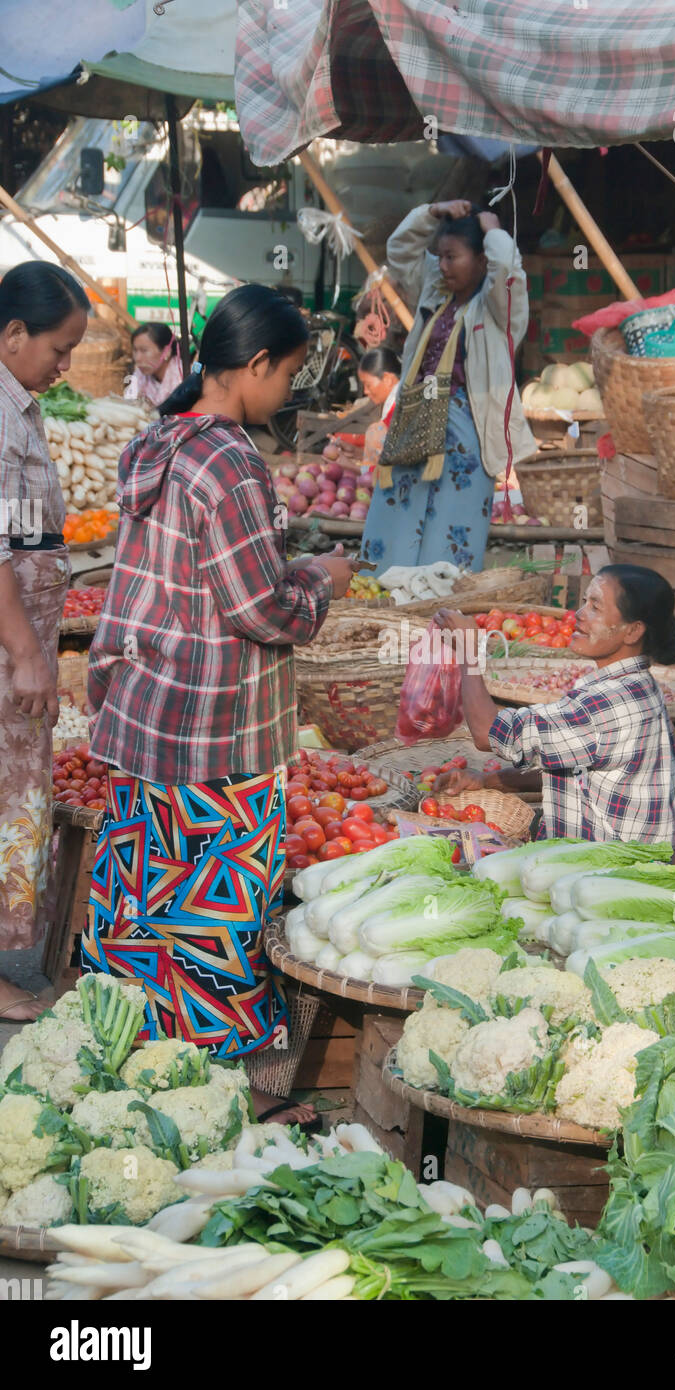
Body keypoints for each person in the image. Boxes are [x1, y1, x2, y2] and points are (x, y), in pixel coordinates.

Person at [81, 284, 363, 1119]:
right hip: (217, 728)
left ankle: (127, 1067)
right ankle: (233, 1096)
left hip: (143, 712)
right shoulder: (229, 460)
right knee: (219, 912)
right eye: (288, 376)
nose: (287, 394)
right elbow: (260, 609)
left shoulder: (161, 441)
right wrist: (322, 580)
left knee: (142, 898)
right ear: (256, 365)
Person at [433, 565, 675, 844]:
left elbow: (486, 732)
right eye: (585, 602)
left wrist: (468, 651)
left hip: (607, 874)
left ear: (632, 631)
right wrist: (487, 780)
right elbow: (574, 767)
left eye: (595, 608)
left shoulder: (610, 701)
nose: (579, 614)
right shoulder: (633, 684)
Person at [0, 261, 89, 1019]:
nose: (65, 367)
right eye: (59, 350)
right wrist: (28, 653)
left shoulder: (16, 406)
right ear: (13, 334)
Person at [360, 200, 535, 573]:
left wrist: (493, 231)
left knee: (453, 524)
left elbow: (508, 268)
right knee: (399, 508)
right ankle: (387, 594)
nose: (442, 265)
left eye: (452, 257)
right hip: (416, 421)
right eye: (439, 257)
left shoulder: (498, 308)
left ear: (481, 261)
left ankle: (437, 606)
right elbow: (399, 249)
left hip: (467, 434)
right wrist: (432, 212)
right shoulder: (435, 290)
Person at [124, 323, 184, 408]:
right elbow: (128, 404)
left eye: (144, 350)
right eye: (135, 350)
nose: (137, 358)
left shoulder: (182, 379)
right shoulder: (140, 376)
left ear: (166, 352)